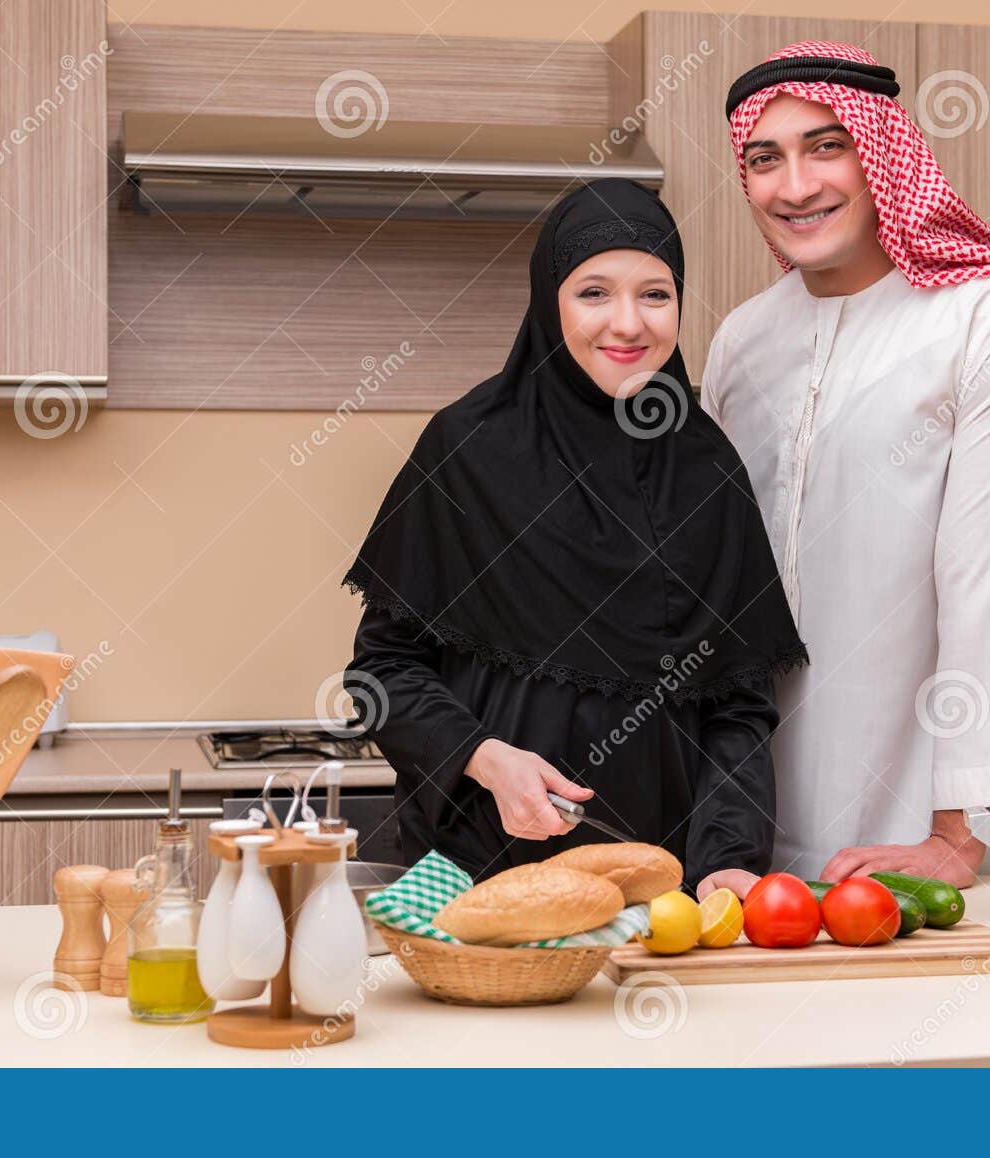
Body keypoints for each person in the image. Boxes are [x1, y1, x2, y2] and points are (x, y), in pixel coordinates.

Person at [699, 41, 990, 891]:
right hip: (751, 844)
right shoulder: (741, 342)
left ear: (884, 154)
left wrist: (960, 833)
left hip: (939, 849)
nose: (795, 187)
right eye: (766, 160)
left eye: (827, 146)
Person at [341, 178, 808, 894]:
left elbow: (737, 705)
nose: (628, 324)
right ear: (548, 299)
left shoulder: (707, 469)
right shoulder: (467, 451)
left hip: (661, 901)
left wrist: (728, 862)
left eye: (655, 294)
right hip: (478, 885)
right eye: (594, 293)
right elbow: (384, 673)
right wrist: (486, 758)